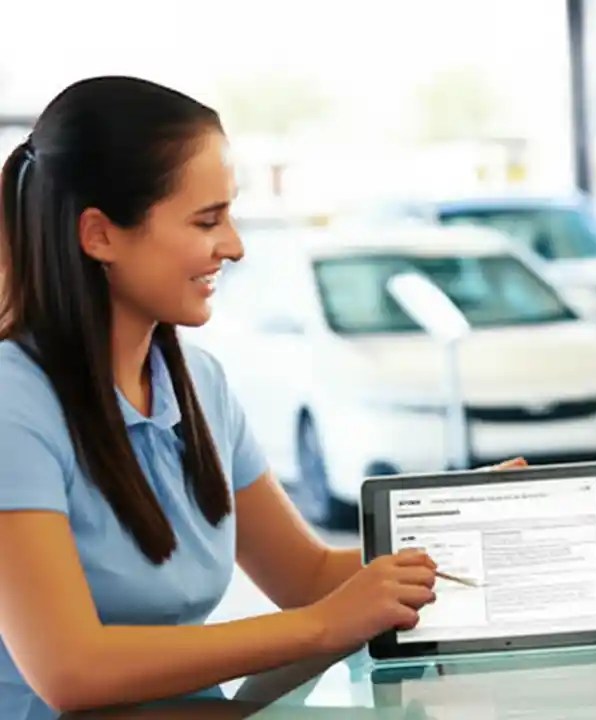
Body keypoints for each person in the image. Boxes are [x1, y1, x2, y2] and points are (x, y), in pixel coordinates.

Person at [0, 76, 523, 715]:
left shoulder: (201, 385)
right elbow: (69, 670)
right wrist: (326, 626)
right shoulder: (13, 404)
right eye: (207, 220)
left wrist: (461, 527)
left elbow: (304, 579)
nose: (236, 246)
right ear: (100, 235)